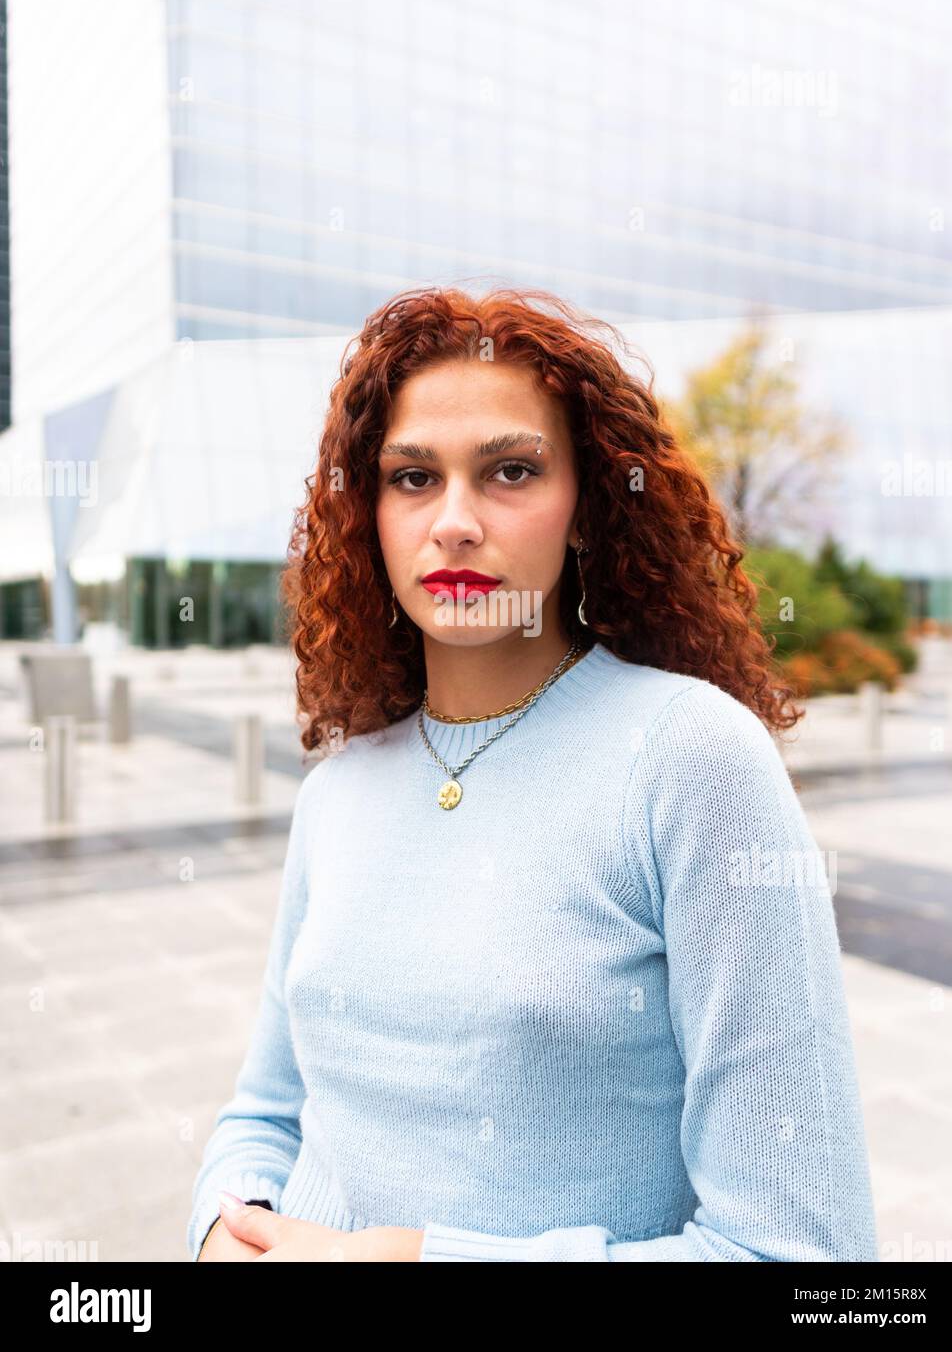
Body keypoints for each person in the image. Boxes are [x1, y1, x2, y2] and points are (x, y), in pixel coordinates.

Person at [188, 285, 877, 1262]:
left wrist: (418, 1260)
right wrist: (220, 1228)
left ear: (587, 506)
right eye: (413, 477)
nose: (456, 521)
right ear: (368, 513)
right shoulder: (336, 790)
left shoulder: (691, 758)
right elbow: (264, 1111)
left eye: (509, 470)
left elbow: (806, 1255)